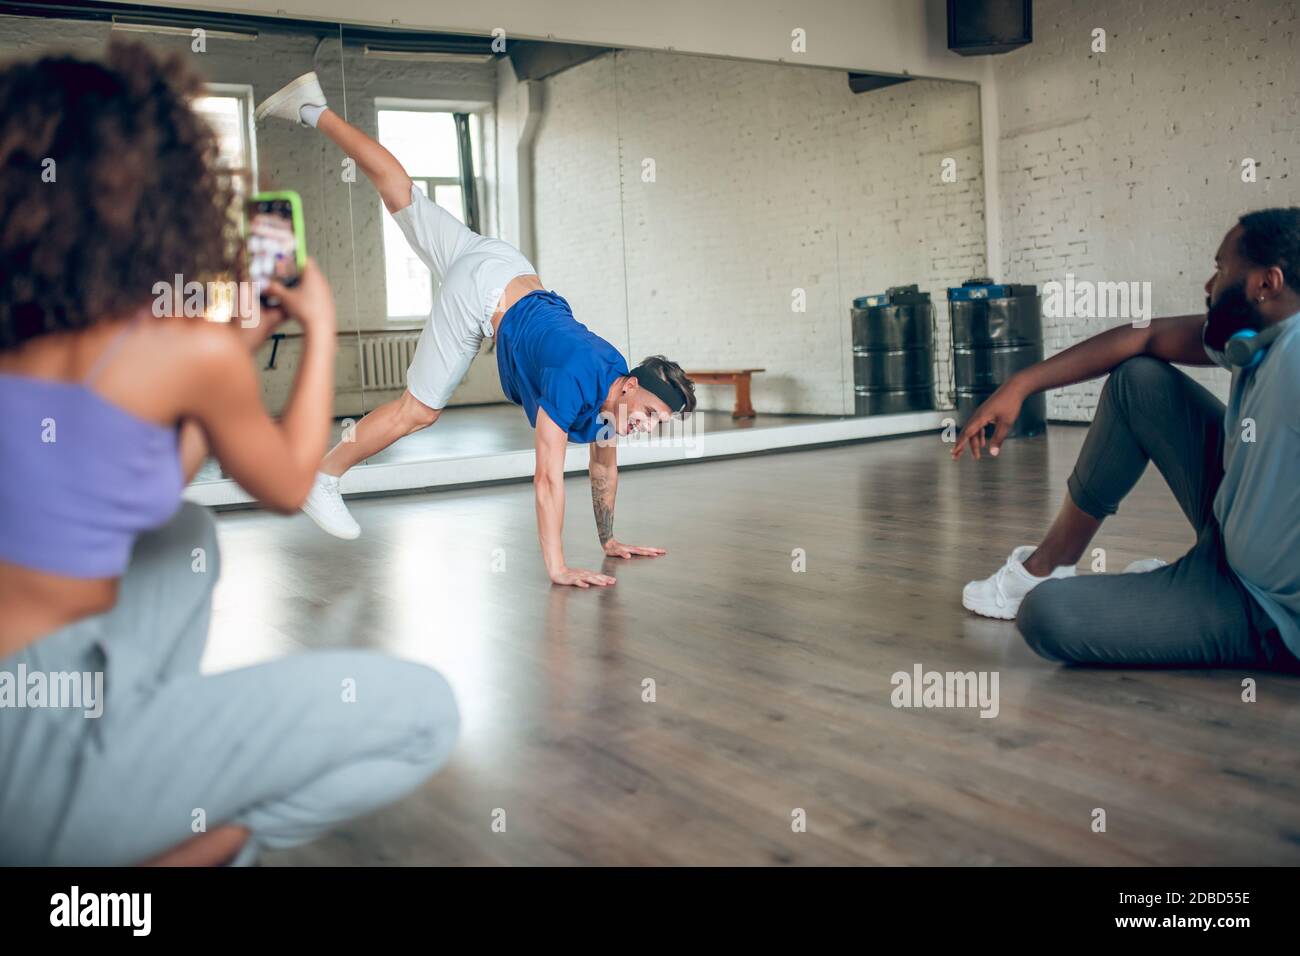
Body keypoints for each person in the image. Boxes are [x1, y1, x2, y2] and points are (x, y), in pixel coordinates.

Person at [0, 42, 458, 865]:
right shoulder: (181, 353)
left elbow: (129, 474)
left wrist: (231, 351)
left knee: (182, 535)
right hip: (39, 761)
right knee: (426, 712)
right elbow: (288, 485)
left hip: (25, 688)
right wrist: (317, 326)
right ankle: (173, 859)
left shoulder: (40, 344)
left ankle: (137, 752)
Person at [256, 73, 697, 589]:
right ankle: (323, 476)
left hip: (505, 263)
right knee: (419, 410)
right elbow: (547, 477)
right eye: (650, 413)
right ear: (630, 387)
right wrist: (557, 567)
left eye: (658, 422)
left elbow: (602, 467)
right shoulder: (576, 379)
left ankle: (312, 109)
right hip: (484, 295)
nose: (648, 426)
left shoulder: (613, 384)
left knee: (403, 195)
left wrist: (608, 540)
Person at [954, 208, 1300, 671]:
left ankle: (1172, 595)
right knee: (1139, 381)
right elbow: (1146, 336)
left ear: (1266, 283)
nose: (1208, 284)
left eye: (1220, 269)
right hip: (1229, 534)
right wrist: (1021, 385)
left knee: (1048, 614)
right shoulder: (1255, 336)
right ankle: (1049, 563)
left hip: (1259, 609)